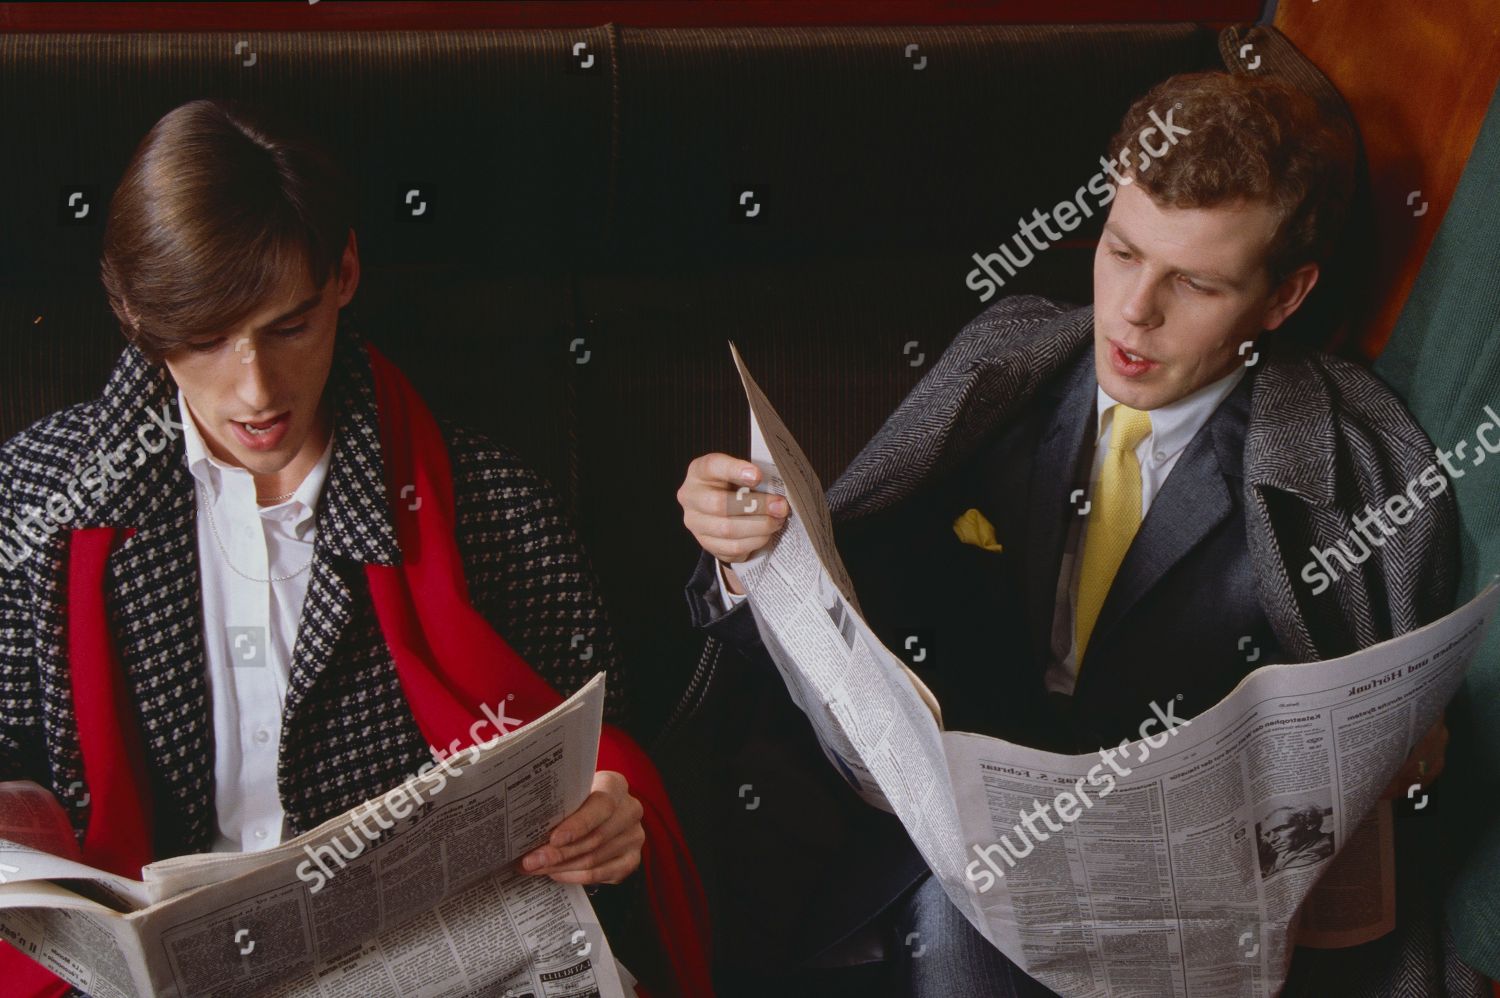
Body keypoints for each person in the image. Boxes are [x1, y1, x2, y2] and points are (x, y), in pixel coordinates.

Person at [675, 71, 1467, 996]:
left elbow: (1411, 801)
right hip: (917, 871)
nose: (1134, 312)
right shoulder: (1002, 365)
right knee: (947, 927)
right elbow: (847, 562)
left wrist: (1414, 767)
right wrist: (742, 556)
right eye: (1122, 252)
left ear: (1284, 297)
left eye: (1196, 283)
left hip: (1202, 943)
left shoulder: (1364, 465)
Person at [0, 98, 709, 997]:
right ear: (136, 314)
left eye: (288, 327)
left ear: (343, 273)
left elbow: (605, 736)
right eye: (207, 340)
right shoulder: (33, 502)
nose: (254, 388)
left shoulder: (489, 499)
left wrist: (613, 808)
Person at [1259, 805, 1335, 877]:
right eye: (1267, 834)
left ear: (1309, 824)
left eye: (1281, 828)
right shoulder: (1284, 850)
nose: (1272, 839)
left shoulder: (1314, 855)